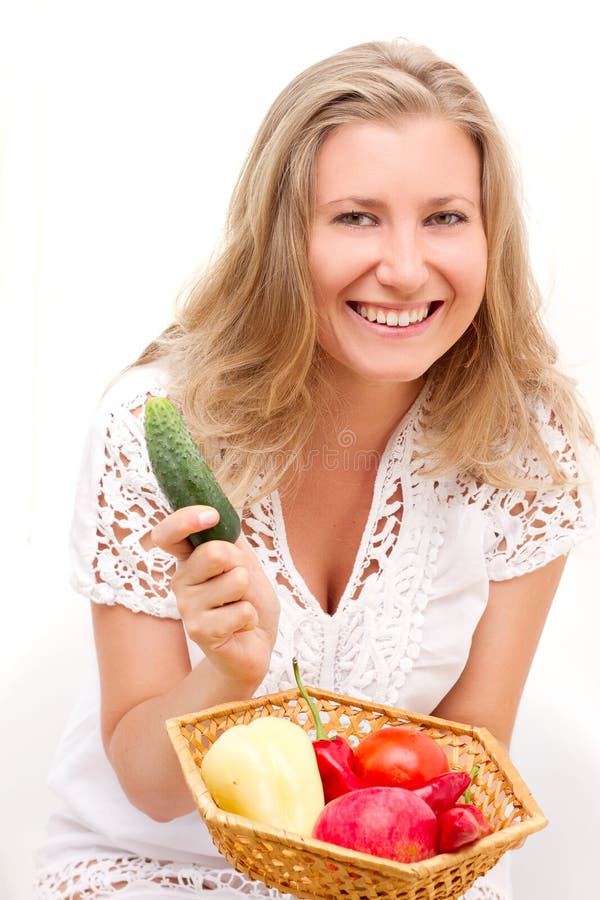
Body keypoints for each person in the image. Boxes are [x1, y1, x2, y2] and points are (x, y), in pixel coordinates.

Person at [33, 38, 597, 900]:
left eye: (445, 216)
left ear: (490, 234)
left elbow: (468, 763)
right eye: (356, 217)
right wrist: (224, 670)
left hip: (397, 877)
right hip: (158, 870)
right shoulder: (157, 424)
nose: (406, 269)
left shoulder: (529, 444)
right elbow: (146, 789)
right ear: (282, 236)